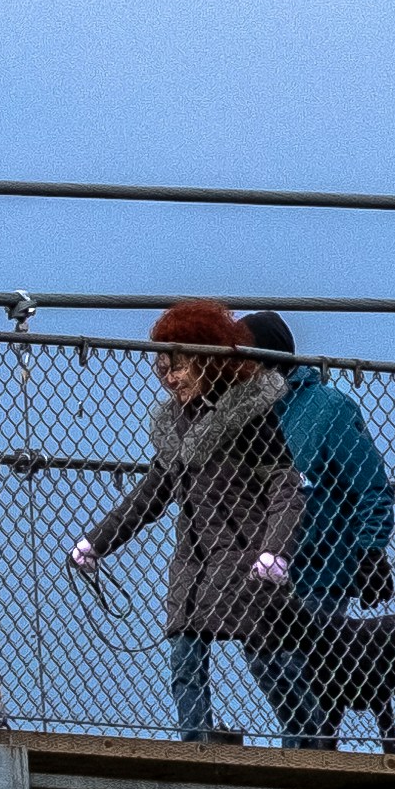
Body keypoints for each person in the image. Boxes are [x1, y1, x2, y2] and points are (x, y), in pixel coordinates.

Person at [68, 301, 292, 741]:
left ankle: (307, 731)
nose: (170, 378)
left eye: (180, 367)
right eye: (163, 369)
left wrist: (274, 552)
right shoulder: (176, 427)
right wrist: (95, 543)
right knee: (185, 655)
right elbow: (150, 495)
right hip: (193, 562)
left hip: (244, 557)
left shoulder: (250, 419)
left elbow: (286, 489)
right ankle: (196, 738)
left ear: (208, 361)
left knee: (266, 654)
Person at [234, 311, 393, 748]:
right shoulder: (238, 413)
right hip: (260, 570)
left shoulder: (327, 409)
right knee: (266, 659)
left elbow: (370, 484)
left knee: (305, 667)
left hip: (320, 567)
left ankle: (311, 758)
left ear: (266, 359)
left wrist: (370, 550)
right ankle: (310, 750)